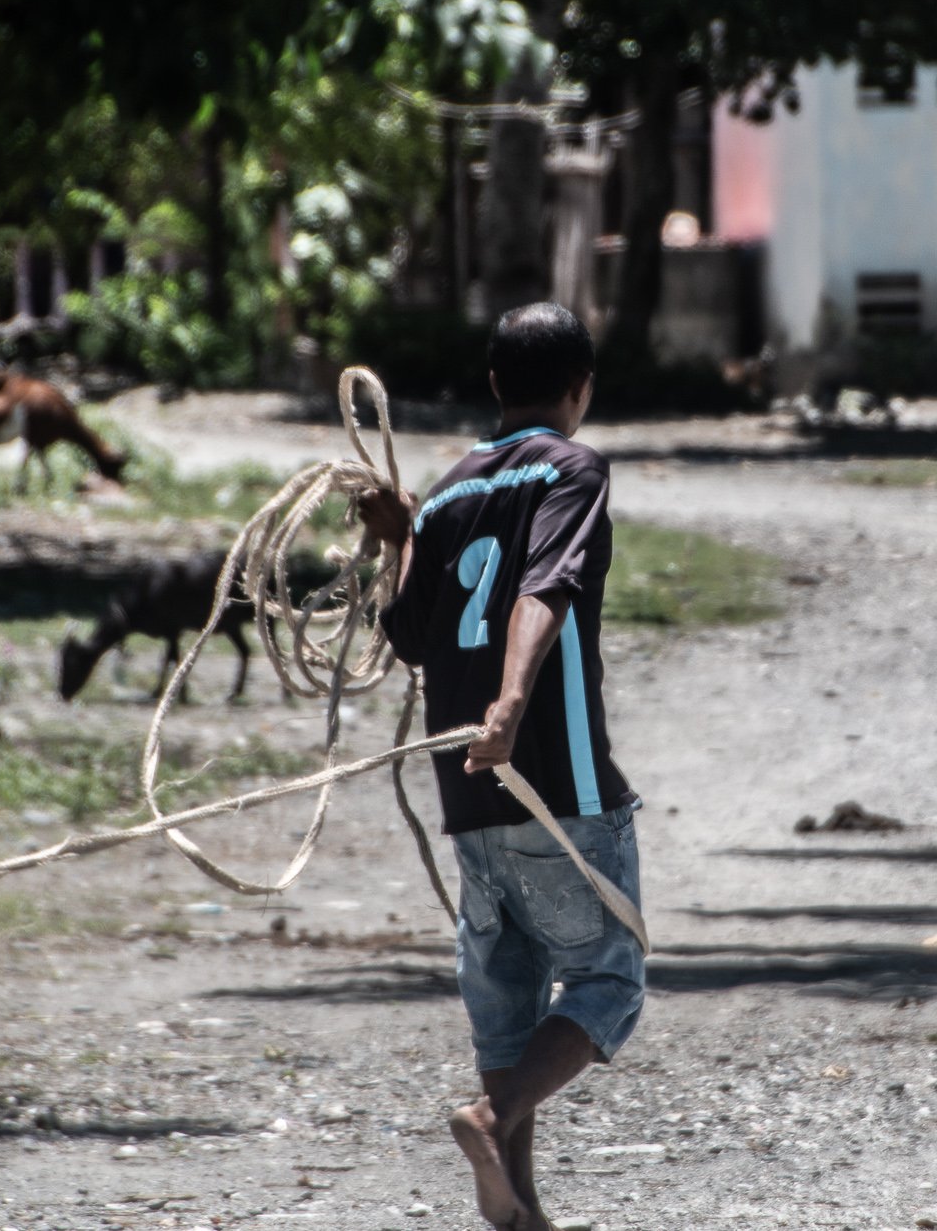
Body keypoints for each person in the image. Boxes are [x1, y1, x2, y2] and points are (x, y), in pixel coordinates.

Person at [358, 302, 643, 1231]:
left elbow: (405, 634)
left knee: (507, 1011)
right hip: (554, 785)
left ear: (491, 386)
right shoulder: (571, 468)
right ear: (580, 391)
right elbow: (542, 586)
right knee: (609, 977)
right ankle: (491, 1116)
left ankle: (518, 1211)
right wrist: (513, 704)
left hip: (467, 797)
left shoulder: (443, 494)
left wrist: (400, 538)